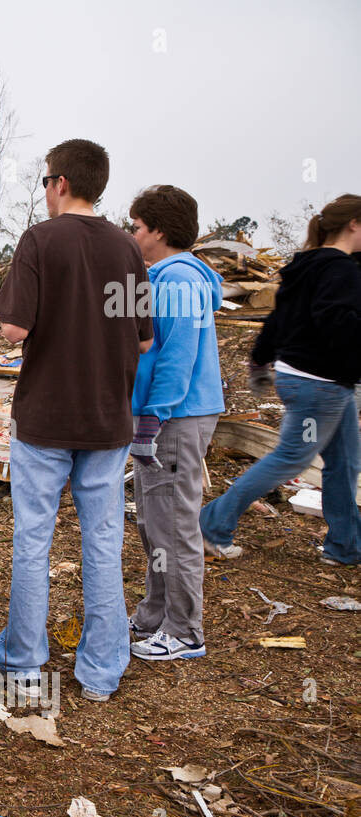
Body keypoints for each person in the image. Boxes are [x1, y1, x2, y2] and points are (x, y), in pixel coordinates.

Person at [0, 139, 153, 703]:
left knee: (33, 538)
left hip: (45, 415)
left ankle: (24, 663)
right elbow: (145, 335)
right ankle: (102, 671)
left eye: (43, 182)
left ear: (60, 183)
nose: (43, 193)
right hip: (109, 416)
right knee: (104, 539)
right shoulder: (127, 249)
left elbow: (13, 329)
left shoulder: (39, 239)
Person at [200, 194, 361, 566]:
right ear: (353, 223)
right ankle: (211, 525)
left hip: (306, 378)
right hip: (319, 383)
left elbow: (276, 320)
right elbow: (336, 324)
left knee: (344, 462)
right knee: (290, 459)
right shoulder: (340, 271)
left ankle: (346, 545)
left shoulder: (306, 266)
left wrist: (259, 361)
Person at [125, 186, 227, 662]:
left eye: (138, 227)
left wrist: (152, 418)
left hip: (176, 417)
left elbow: (177, 356)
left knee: (174, 523)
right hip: (167, 416)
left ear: (159, 231)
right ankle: (154, 613)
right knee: (153, 520)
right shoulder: (165, 276)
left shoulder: (180, 279)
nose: (133, 235)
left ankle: (185, 631)